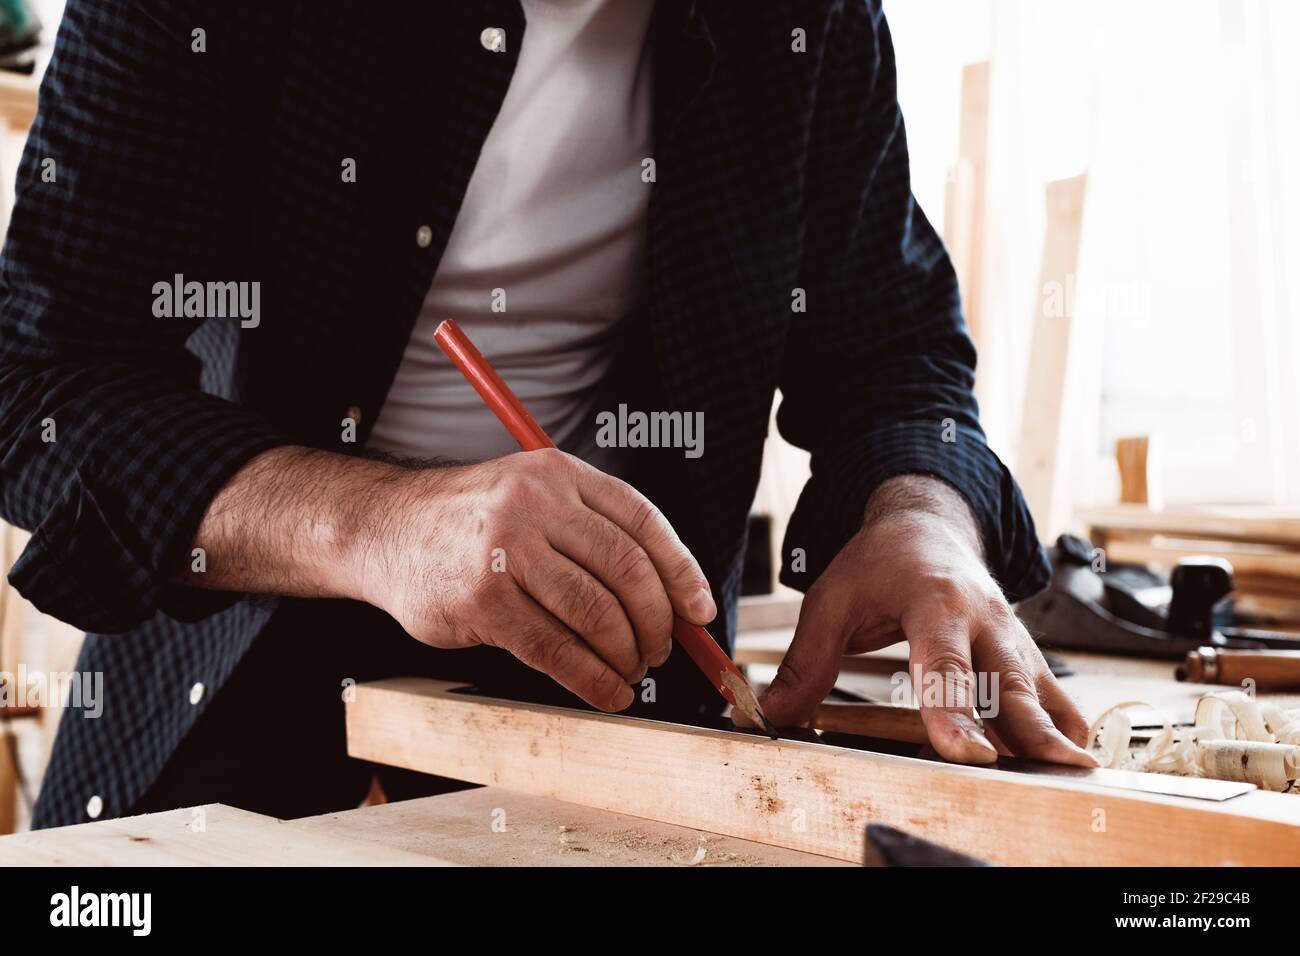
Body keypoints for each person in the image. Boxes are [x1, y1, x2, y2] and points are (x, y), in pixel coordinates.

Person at [0, 0, 1093, 830]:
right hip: (230, 661)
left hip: (623, 682)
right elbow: (36, 385)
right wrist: (386, 523)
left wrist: (923, 512)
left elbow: (890, 346)